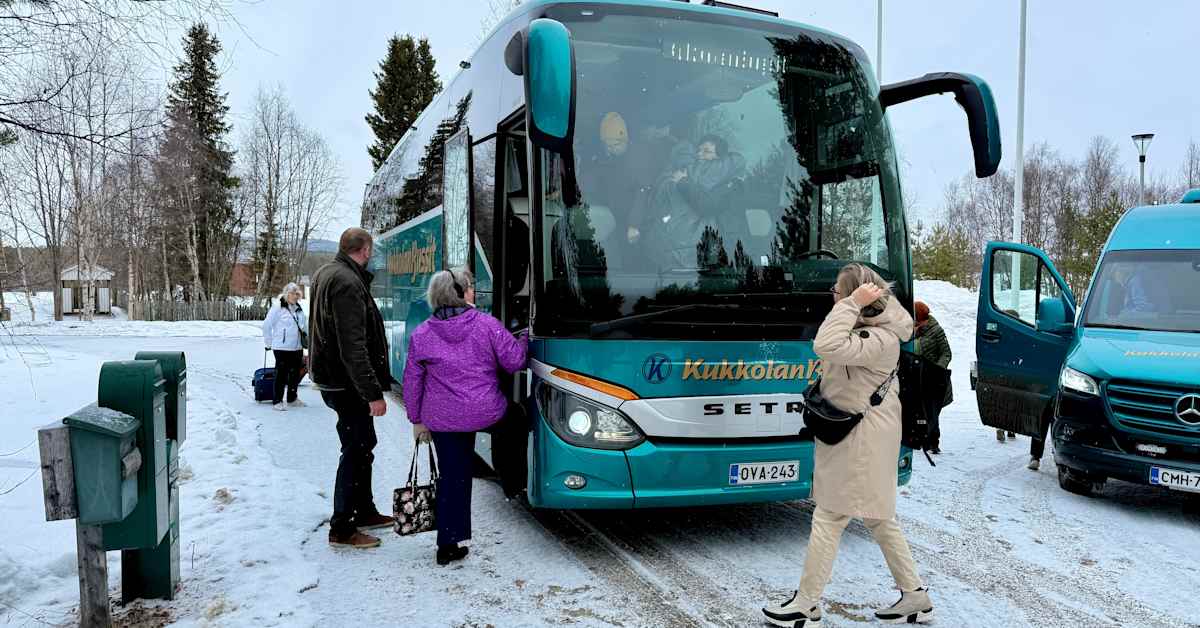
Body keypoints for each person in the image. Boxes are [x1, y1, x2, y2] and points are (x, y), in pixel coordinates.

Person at [763, 264, 932, 626]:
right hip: (860, 434)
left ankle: (807, 604)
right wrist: (852, 305)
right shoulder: (866, 328)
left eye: (839, 292)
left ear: (860, 297)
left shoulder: (880, 338)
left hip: (861, 440)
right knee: (878, 518)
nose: (835, 298)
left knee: (829, 516)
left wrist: (850, 303)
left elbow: (825, 344)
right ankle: (915, 596)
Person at [402, 269, 530, 566]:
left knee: (452, 477)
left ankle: (447, 545)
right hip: (485, 411)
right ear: (460, 292)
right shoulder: (487, 325)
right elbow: (515, 362)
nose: (474, 290)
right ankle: (513, 482)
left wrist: (416, 419)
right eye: (470, 286)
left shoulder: (422, 334)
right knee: (515, 419)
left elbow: (412, 381)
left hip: (443, 419)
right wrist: (524, 338)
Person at [310, 228, 397, 549]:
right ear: (365, 250)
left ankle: (364, 510)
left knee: (363, 444)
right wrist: (372, 393)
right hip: (346, 383)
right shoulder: (347, 282)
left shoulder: (328, 272)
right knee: (356, 449)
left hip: (335, 378)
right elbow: (353, 346)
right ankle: (343, 527)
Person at [913, 301, 952, 454]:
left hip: (934, 379)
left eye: (917, 320)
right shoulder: (910, 330)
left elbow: (946, 353)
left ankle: (933, 443)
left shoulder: (936, 331)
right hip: (917, 378)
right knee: (919, 411)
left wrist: (937, 370)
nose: (916, 323)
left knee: (932, 413)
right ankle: (920, 440)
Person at [262, 282, 308, 411]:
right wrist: (269, 343)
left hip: (297, 347)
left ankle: (292, 398)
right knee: (281, 374)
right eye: (293, 293)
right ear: (287, 294)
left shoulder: (298, 308)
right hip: (281, 347)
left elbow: (303, 327)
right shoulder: (278, 307)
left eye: (297, 294)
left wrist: (307, 339)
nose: (295, 296)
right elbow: (266, 326)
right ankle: (277, 401)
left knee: (295, 374)